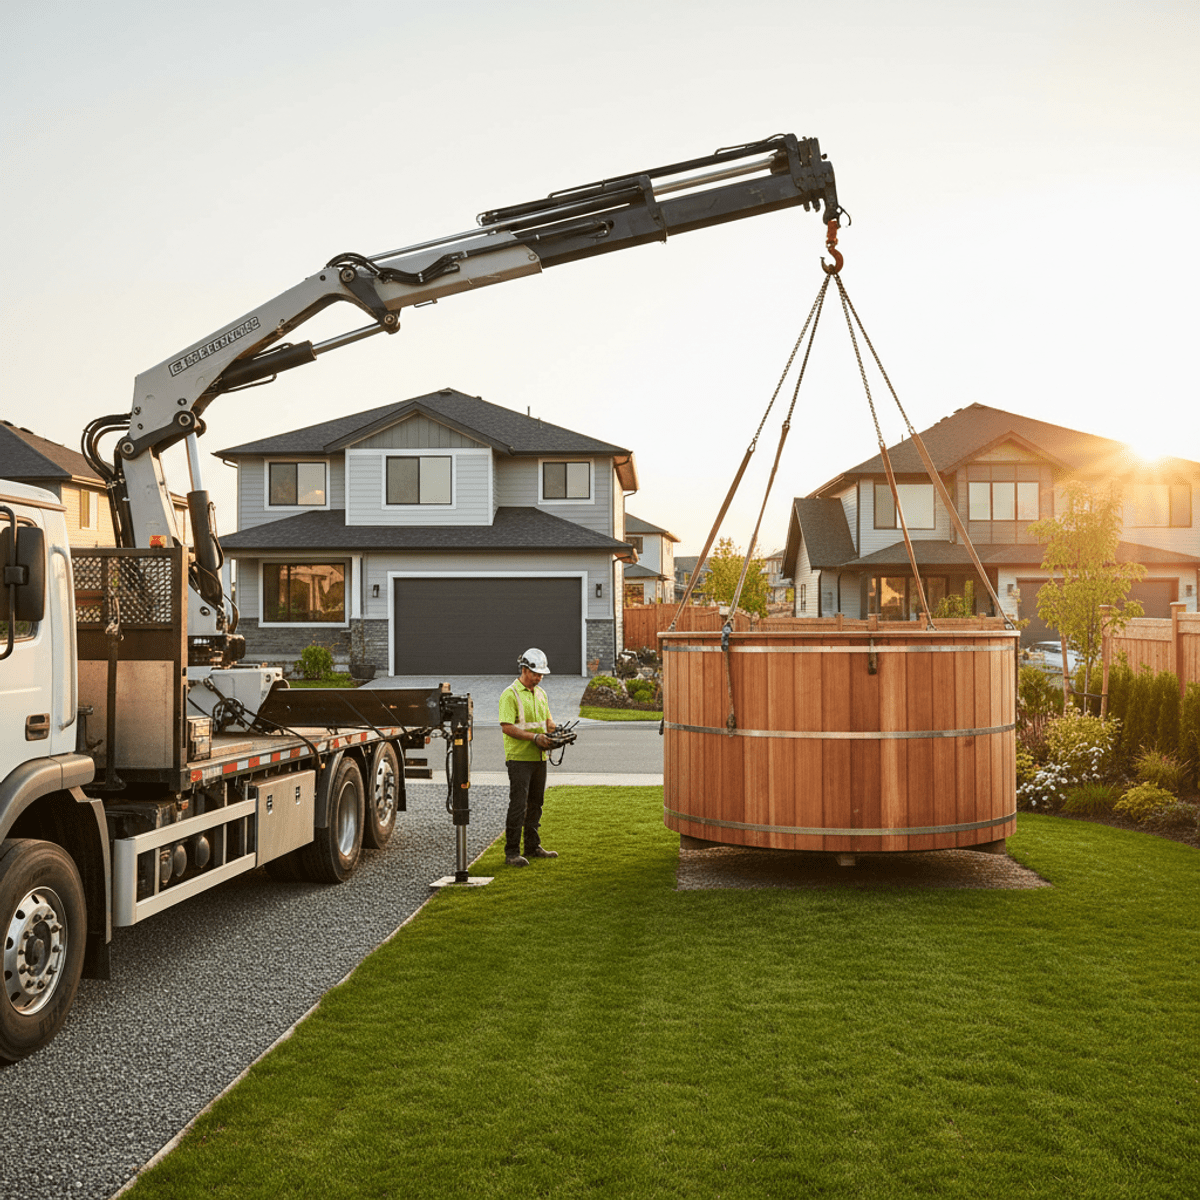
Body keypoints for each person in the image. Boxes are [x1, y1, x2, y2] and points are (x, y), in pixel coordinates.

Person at [498, 648, 560, 867]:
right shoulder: (510, 694)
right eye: (536, 673)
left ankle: (532, 847)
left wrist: (555, 731)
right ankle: (512, 853)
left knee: (536, 803)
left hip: (539, 758)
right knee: (518, 805)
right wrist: (535, 737)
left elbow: (548, 721)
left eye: (542, 674)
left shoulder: (541, 693)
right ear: (524, 670)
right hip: (519, 759)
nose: (539, 677)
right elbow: (507, 727)